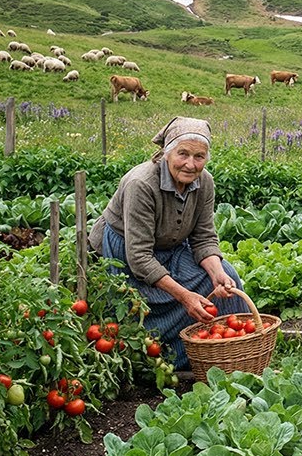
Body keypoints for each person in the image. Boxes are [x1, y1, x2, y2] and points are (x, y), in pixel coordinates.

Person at [87, 116, 248, 370]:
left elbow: (204, 237)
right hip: (123, 252)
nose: (191, 164)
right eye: (182, 154)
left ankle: (228, 355)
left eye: (199, 156)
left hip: (171, 248)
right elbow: (139, 258)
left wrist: (217, 273)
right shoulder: (142, 184)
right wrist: (185, 296)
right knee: (134, 307)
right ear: (166, 153)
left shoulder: (204, 182)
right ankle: (162, 357)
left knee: (226, 275)